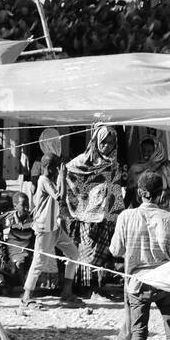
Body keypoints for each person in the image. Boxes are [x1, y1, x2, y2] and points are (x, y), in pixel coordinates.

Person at [110, 170, 170, 340]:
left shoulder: (126, 216)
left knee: (138, 334)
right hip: (165, 282)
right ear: (161, 195)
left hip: (137, 283)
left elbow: (116, 250)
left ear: (140, 193)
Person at [64, 124, 125, 301]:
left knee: (103, 249)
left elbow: (115, 187)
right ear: (96, 141)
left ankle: (98, 286)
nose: (107, 146)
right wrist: (82, 196)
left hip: (105, 214)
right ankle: (84, 287)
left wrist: (115, 210)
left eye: (111, 143)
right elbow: (69, 176)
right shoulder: (82, 161)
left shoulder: (113, 163)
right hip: (86, 214)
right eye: (104, 142)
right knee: (86, 249)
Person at [22, 154, 79, 307]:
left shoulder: (50, 180)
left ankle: (67, 292)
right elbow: (60, 197)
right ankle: (27, 296)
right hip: (44, 228)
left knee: (74, 254)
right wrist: (62, 176)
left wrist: (61, 177)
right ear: (50, 168)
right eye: (57, 167)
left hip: (54, 227)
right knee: (39, 262)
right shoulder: (44, 180)